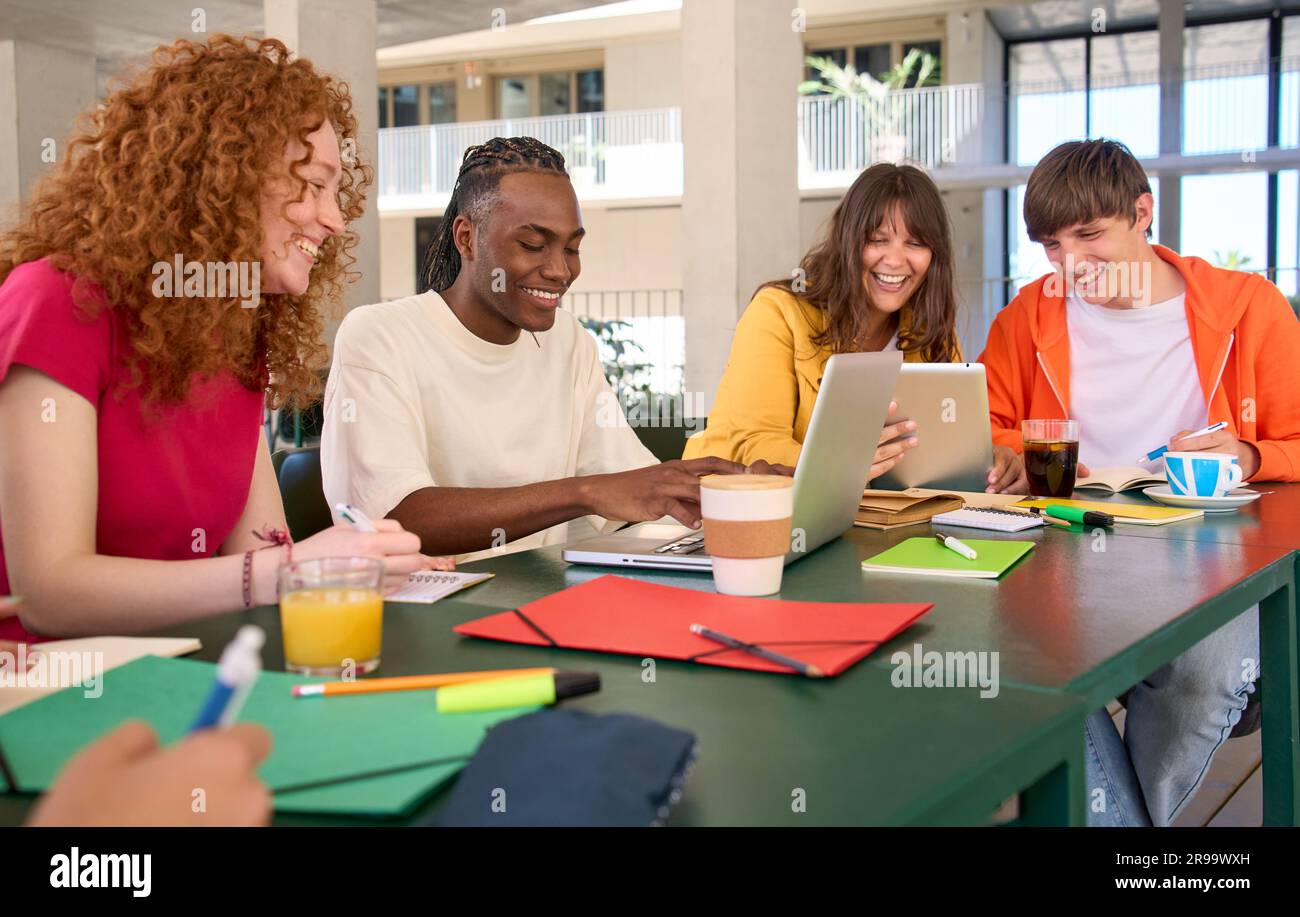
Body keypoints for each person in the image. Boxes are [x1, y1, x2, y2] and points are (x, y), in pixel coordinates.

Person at [0, 35, 440, 641]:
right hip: (50, 697)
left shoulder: (236, 328)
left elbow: (263, 552)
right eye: (312, 185)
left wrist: (363, 567)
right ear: (220, 179)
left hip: (188, 670)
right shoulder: (54, 302)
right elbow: (48, 596)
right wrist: (286, 571)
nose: (336, 220)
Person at [978, 138, 1300, 826]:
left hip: (1213, 557)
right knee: (1028, 658)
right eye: (1051, 245)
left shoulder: (1249, 309)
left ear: (1142, 211)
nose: (1071, 263)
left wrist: (1246, 451)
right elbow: (988, 423)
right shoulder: (1024, 320)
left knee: (1205, 675)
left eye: (1089, 235)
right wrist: (1012, 451)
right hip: (1062, 546)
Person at [322, 137, 783, 561]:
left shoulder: (569, 342)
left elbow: (631, 491)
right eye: (533, 245)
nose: (560, 271)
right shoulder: (379, 336)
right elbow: (398, 517)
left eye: (572, 248)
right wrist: (582, 492)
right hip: (427, 622)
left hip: (543, 602)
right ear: (467, 238)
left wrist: (732, 491)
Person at [683, 163, 1026, 494]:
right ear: (848, 242)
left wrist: (988, 460)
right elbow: (753, 445)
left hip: (872, 519)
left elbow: (948, 445)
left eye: (916, 243)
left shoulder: (931, 331)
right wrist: (841, 465)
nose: (895, 260)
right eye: (878, 240)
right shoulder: (778, 312)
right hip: (737, 516)